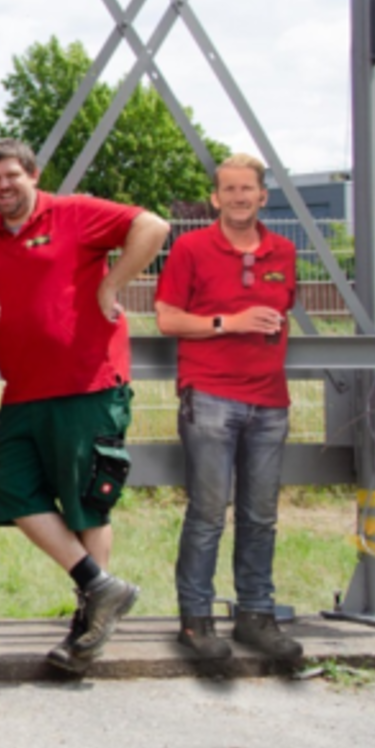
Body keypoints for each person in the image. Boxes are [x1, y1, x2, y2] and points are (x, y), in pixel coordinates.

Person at [0, 138, 169, 674]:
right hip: (23, 389)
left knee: (87, 502)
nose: (3, 187)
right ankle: (100, 586)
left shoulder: (74, 213)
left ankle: (89, 631)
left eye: (11, 176)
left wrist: (114, 284)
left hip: (88, 383)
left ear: (33, 174)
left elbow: (154, 226)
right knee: (8, 487)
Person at [153, 154, 303, 663]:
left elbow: (284, 311)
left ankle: (255, 616)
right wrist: (229, 323)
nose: (239, 197)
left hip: (269, 399)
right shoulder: (191, 248)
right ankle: (195, 621)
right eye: (229, 189)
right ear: (215, 198)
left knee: (261, 516)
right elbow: (168, 319)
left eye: (248, 189)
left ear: (263, 196)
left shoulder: (284, 250)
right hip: (211, 394)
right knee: (208, 514)